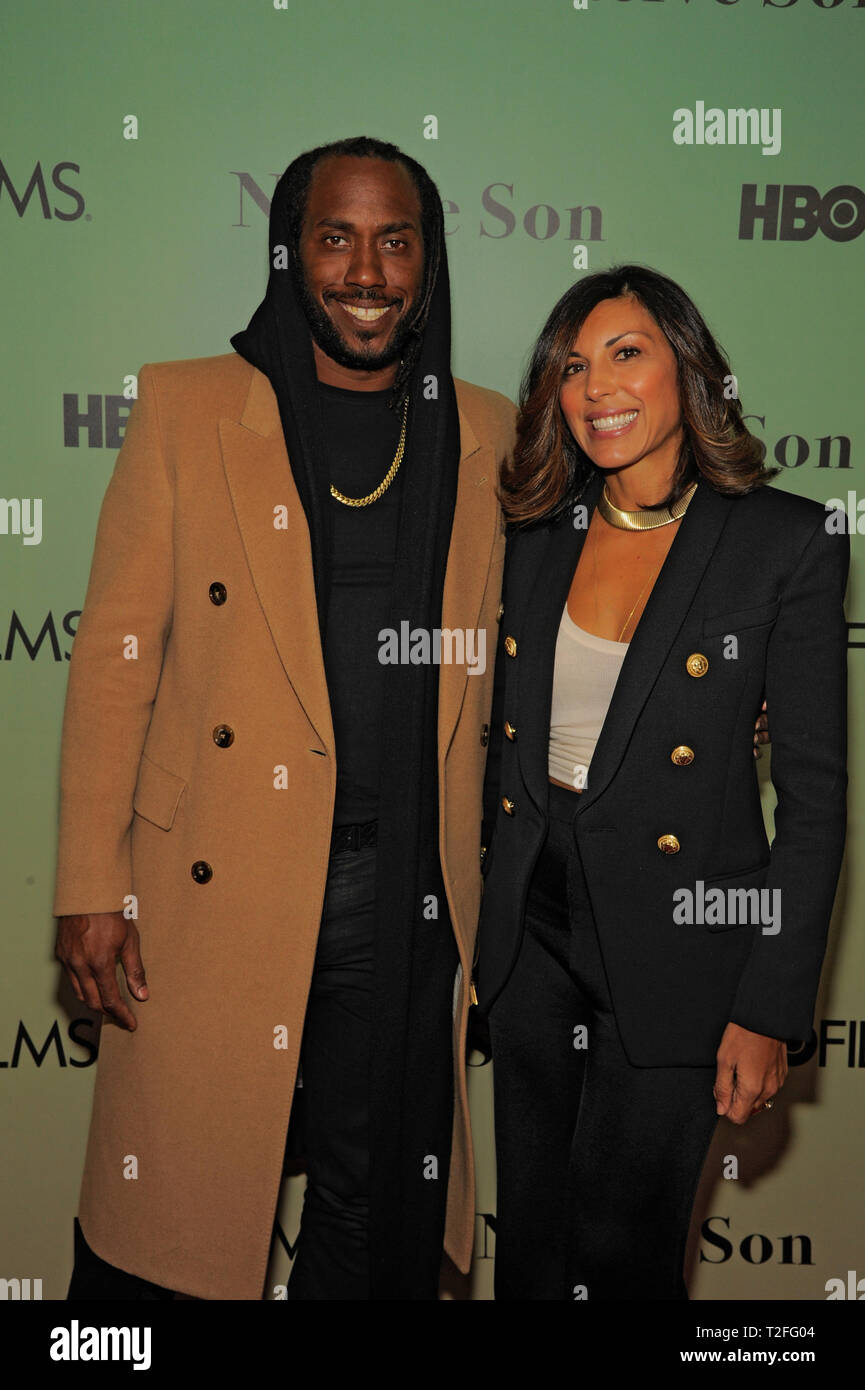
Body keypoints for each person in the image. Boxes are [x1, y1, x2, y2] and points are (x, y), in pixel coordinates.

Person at [53, 135, 515, 1301]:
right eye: (336, 236)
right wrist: (88, 884)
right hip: (219, 871)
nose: (368, 269)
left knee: (372, 1207)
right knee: (179, 1209)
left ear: (429, 261)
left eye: (395, 240)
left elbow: (537, 641)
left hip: (403, 882)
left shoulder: (486, 430)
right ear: (291, 252)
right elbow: (115, 663)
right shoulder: (185, 406)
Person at [476, 265, 848, 1301]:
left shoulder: (785, 542)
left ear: (688, 367)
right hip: (533, 936)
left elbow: (814, 805)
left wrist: (771, 1006)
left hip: (681, 942)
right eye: (570, 366)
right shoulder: (532, 537)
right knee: (535, 1249)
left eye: (625, 353)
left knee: (625, 1253)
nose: (595, 386)